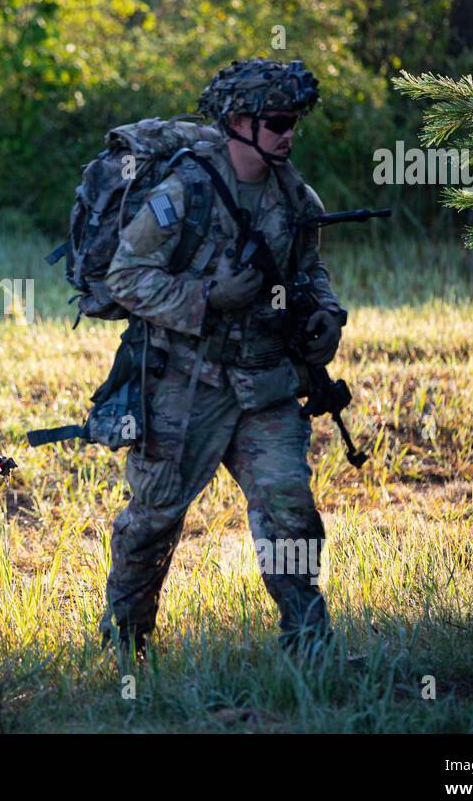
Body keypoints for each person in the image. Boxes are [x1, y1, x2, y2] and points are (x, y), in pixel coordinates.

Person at [100, 59, 346, 660]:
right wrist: (208, 298)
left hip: (265, 384)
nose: (289, 134)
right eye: (278, 122)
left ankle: (310, 645)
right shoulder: (184, 192)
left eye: (294, 123)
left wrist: (327, 317)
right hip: (187, 386)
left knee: (290, 511)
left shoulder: (295, 195)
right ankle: (123, 646)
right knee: (153, 521)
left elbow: (311, 271)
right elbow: (125, 277)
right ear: (239, 122)